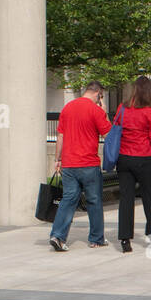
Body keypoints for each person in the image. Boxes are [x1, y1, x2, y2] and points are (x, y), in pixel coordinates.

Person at [49, 81, 112, 251]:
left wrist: (58, 159)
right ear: (98, 94)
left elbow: (60, 136)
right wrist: (104, 113)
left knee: (68, 199)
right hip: (89, 163)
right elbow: (109, 135)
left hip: (68, 163)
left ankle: (58, 236)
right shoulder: (95, 110)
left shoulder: (68, 108)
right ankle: (96, 239)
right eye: (101, 96)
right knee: (94, 201)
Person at [115, 75, 151, 253]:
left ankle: (124, 239)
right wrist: (149, 147)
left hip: (124, 158)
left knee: (126, 198)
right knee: (148, 198)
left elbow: (116, 127)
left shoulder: (123, 108)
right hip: (142, 157)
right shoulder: (150, 111)